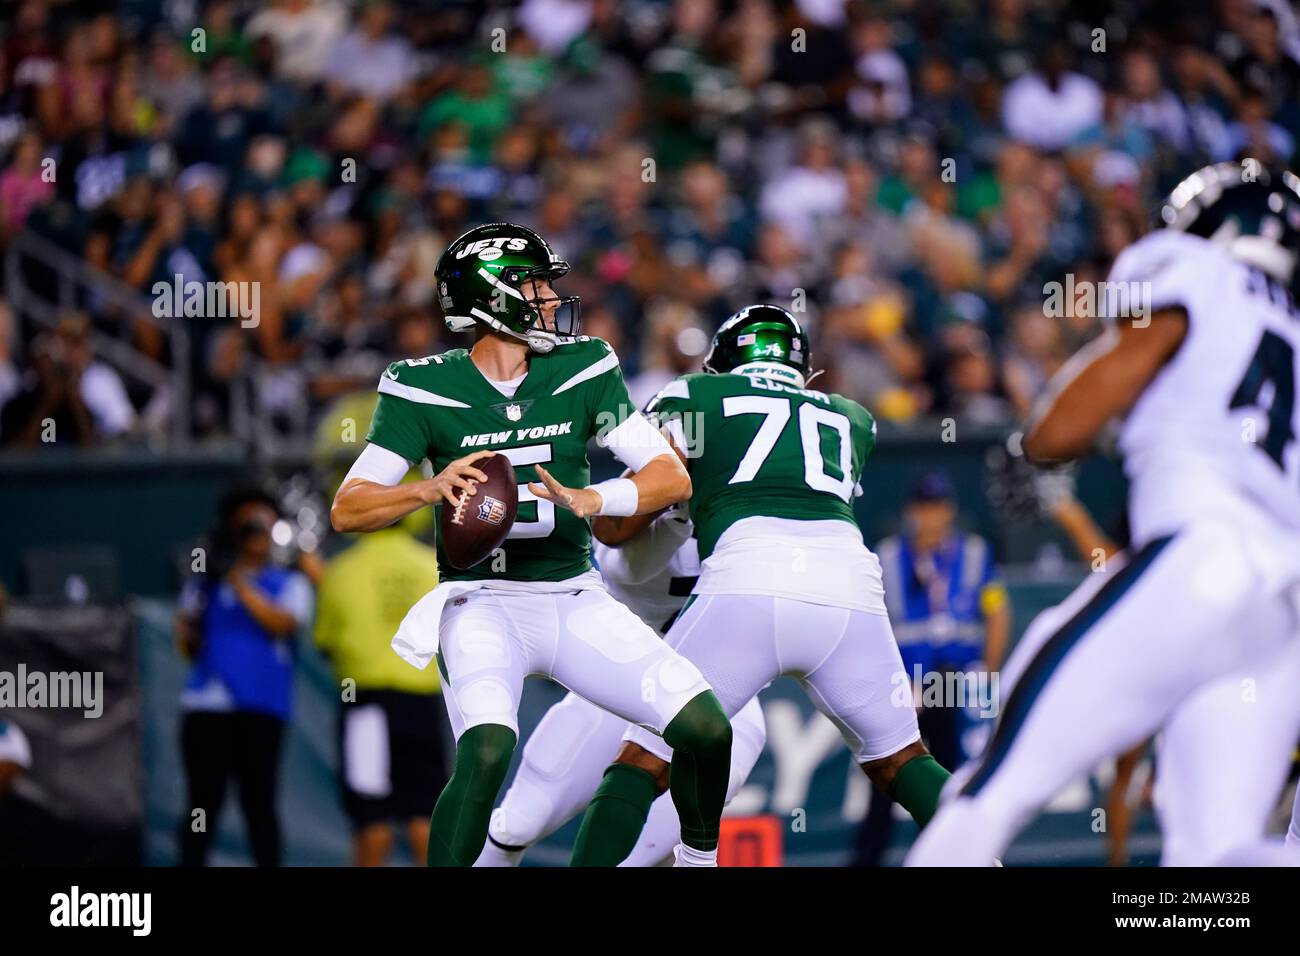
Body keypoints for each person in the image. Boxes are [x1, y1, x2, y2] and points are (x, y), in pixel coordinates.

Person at [907, 162, 1300, 867]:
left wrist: (1035, 447)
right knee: (1222, 857)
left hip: (1205, 554)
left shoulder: (1192, 269)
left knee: (991, 791)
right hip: (1282, 613)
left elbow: (1085, 405)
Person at [330, 222, 734, 867]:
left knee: (708, 729)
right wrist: (426, 490)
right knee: (488, 750)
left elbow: (669, 475)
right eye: (536, 283)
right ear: (493, 296)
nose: (550, 297)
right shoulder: (421, 385)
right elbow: (348, 509)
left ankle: (696, 861)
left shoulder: (585, 365)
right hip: (482, 601)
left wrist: (594, 498)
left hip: (574, 595)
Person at [569, 304, 953, 866]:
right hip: (850, 585)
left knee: (643, 759)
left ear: (722, 362)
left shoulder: (694, 396)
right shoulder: (851, 416)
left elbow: (618, 524)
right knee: (905, 761)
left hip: (748, 578)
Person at [475, 502, 767, 867]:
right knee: (515, 825)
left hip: (721, 687)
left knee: (639, 857)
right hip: (626, 680)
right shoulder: (644, 486)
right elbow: (627, 565)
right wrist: (676, 509)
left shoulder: (755, 497)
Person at [853, 472, 1008, 866]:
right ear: (911, 511)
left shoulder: (973, 552)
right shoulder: (886, 555)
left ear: (950, 511)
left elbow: (996, 610)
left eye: (937, 507)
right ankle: (870, 859)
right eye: (924, 507)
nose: (931, 516)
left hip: (952, 680)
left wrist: (988, 673)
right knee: (888, 775)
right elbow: (866, 619)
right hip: (902, 682)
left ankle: (954, 856)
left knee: (953, 776)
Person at [175, 486, 313, 867]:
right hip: (207, 708)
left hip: (261, 708)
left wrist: (238, 581)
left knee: (260, 803)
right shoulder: (204, 585)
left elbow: (281, 624)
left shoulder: (290, 583)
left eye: (261, 523)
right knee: (202, 804)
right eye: (246, 525)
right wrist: (192, 618)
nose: (255, 532)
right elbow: (187, 646)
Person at [313, 496, 448, 866]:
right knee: (425, 817)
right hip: (421, 703)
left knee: (372, 821)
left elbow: (325, 641)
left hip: (366, 706)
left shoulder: (340, 570)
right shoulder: (432, 567)